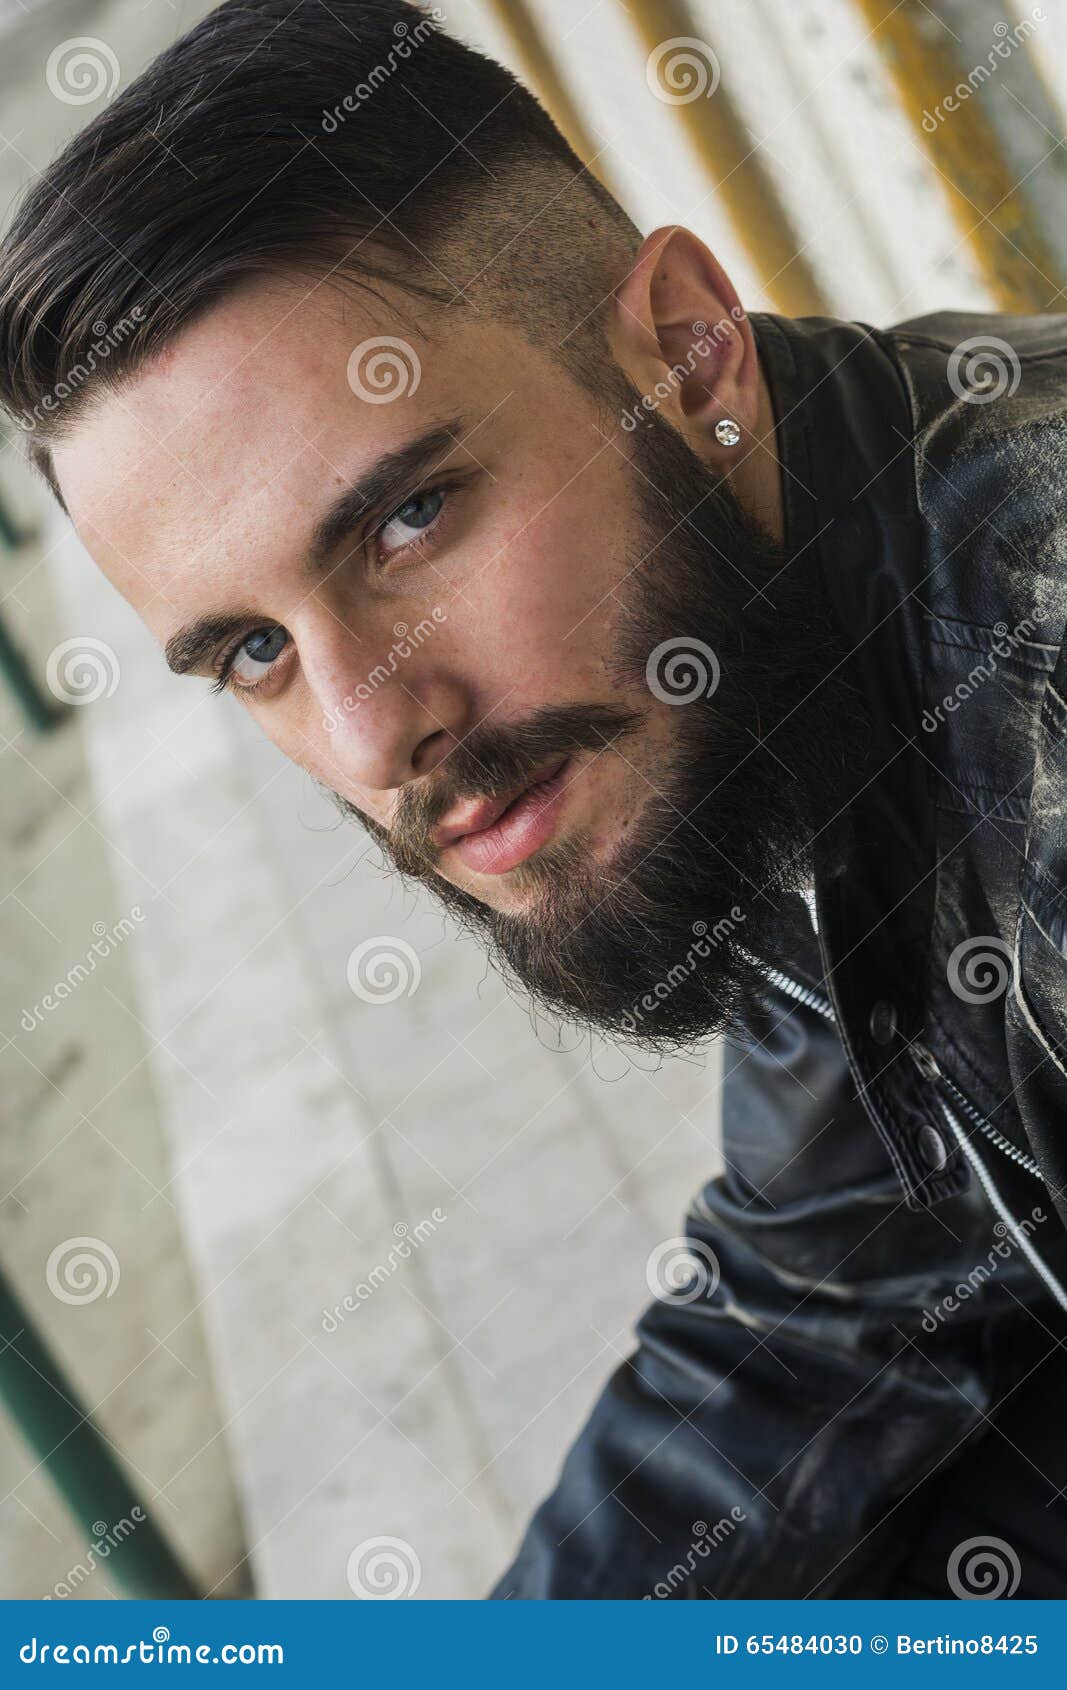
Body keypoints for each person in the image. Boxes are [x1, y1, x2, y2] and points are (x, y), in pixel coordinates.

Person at [2, 0, 1067, 1600]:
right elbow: (814, 1293)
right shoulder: (774, 626)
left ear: (688, 345)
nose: (372, 732)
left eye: (411, 517)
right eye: (250, 650)